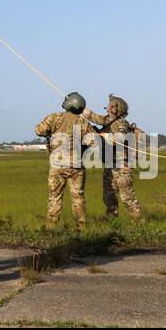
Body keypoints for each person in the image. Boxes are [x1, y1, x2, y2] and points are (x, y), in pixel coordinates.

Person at [35, 92, 95, 230]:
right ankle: (81, 227)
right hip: (77, 166)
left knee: (55, 196)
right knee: (78, 197)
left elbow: (39, 130)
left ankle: (51, 226)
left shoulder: (54, 117)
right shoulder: (83, 122)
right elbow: (94, 142)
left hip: (57, 165)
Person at [83, 94, 144, 220]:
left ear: (115, 108)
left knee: (127, 197)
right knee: (109, 196)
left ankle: (138, 223)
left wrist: (103, 136)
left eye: (109, 105)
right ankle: (111, 220)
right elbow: (93, 117)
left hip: (121, 167)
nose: (107, 108)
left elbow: (120, 138)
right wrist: (79, 108)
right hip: (110, 165)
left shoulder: (121, 124)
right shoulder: (109, 121)